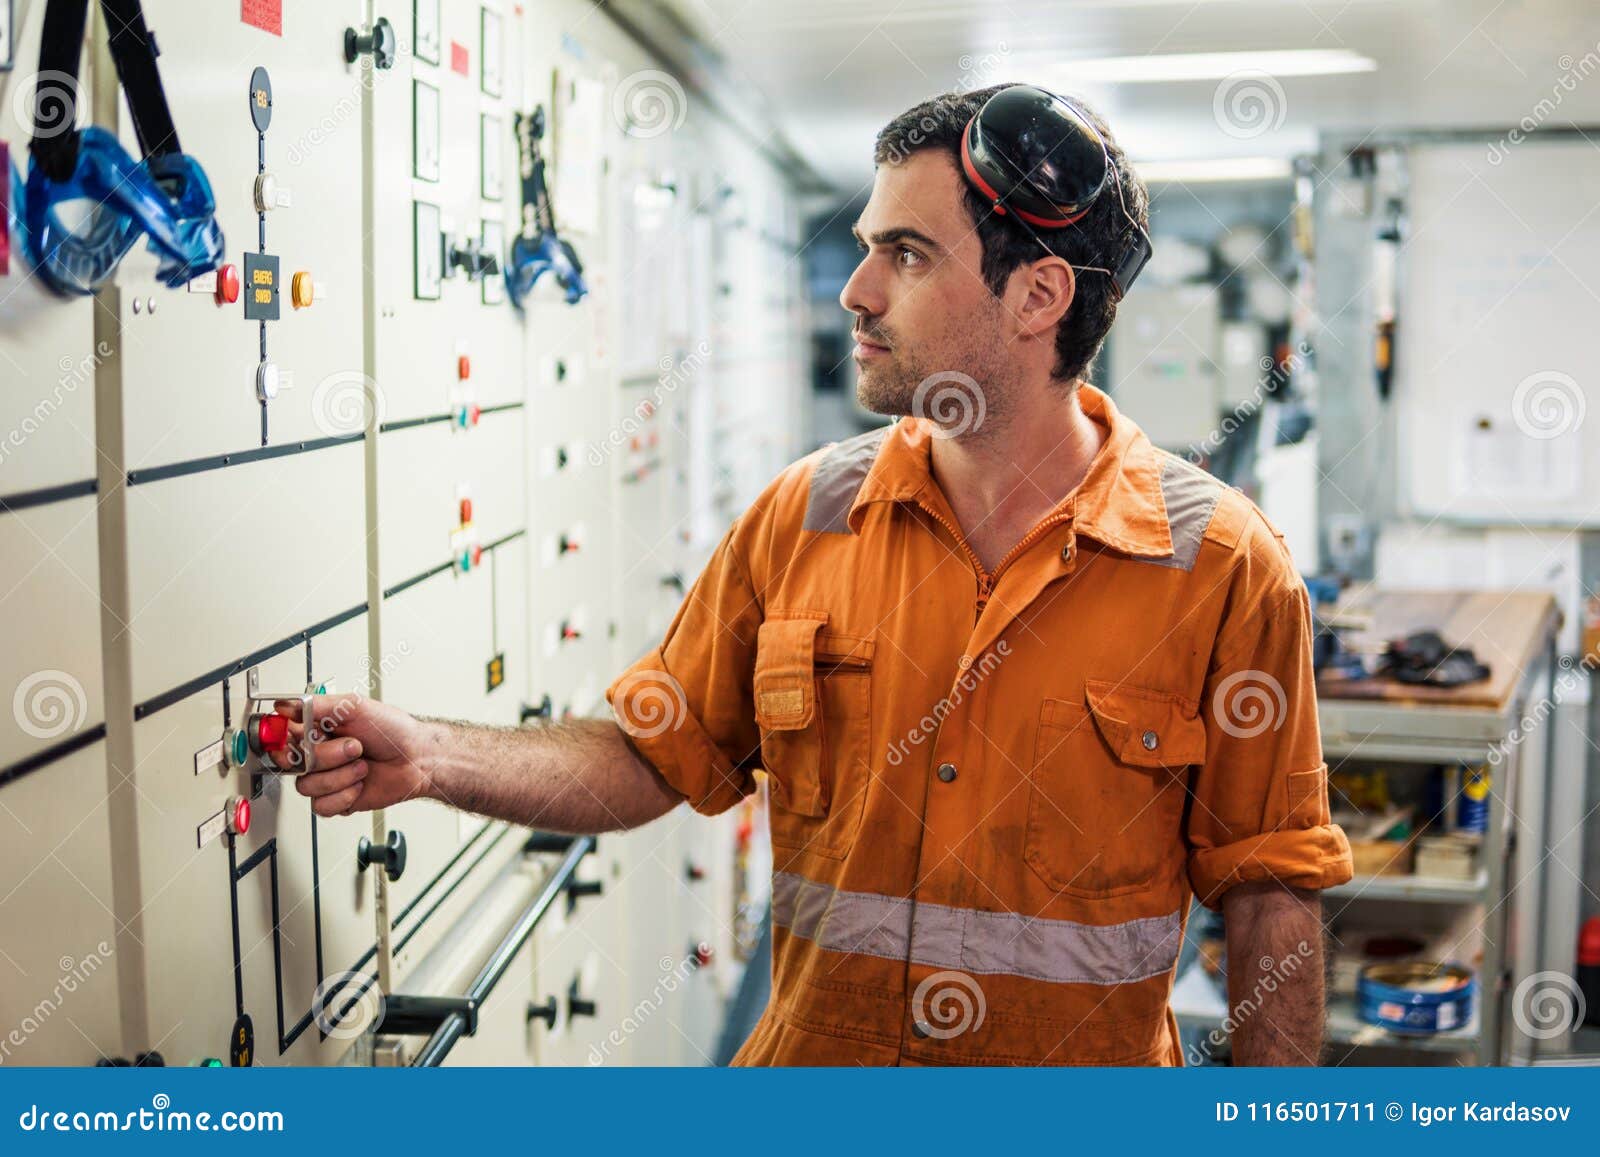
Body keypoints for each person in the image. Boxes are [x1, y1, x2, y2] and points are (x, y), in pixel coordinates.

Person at [272, 83, 1353, 1066]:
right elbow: (648, 755)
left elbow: (1271, 895)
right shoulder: (806, 517)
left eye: (907, 255)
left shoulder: (1220, 567)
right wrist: (432, 756)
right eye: (868, 247)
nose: (855, 290)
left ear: (1038, 296)